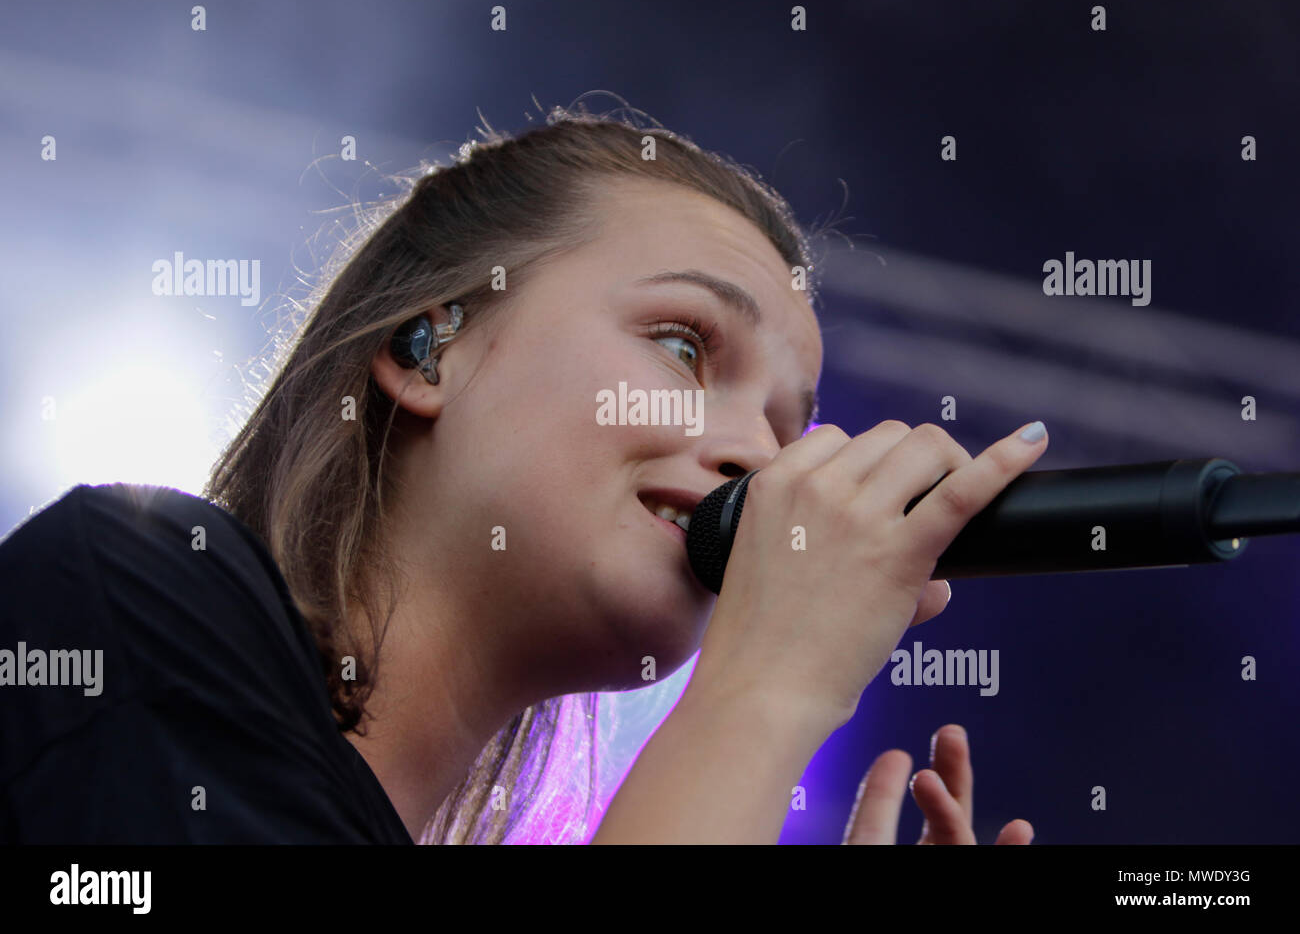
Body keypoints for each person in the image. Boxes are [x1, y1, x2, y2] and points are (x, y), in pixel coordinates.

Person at [0, 106, 1047, 843]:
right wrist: (768, 690)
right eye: (683, 347)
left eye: (789, 425)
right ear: (427, 349)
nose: (763, 461)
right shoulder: (126, 592)